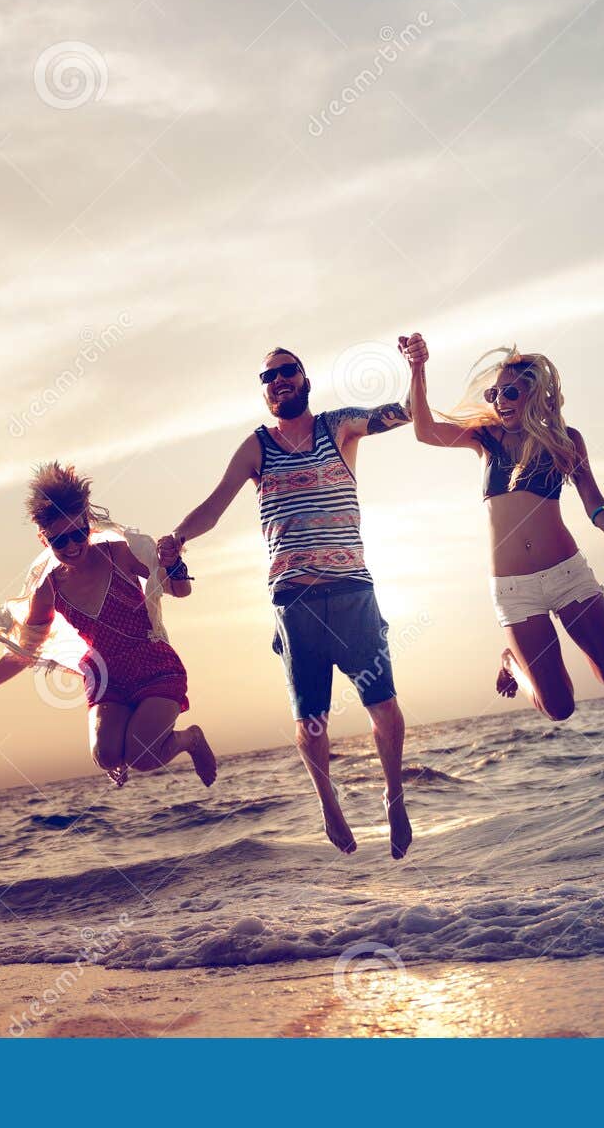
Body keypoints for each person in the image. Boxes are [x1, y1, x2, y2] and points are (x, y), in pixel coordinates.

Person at [159, 347, 414, 858]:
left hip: (351, 591)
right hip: (294, 601)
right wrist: (177, 537)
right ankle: (328, 802)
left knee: (383, 707)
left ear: (304, 379)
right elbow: (215, 504)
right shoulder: (257, 447)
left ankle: (394, 792)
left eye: (286, 372)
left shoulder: (338, 426)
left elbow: (404, 412)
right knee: (310, 721)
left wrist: (418, 368)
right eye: (268, 376)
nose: (278, 381)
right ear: (265, 389)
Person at [403, 334, 604, 721]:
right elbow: (424, 431)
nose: (500, 401)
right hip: (514, 590)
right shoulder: (487, 438)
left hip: (568, 575)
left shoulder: (566, 441)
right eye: (494, 394)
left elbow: (594, 503)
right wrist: (417, 370)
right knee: (559, 709)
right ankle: (512, 663)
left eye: (510, 393)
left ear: (534, 394)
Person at [0, 462, 217, 790]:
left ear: (88, 525)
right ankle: (119, 750)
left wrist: (173, 563)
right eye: (59, 540)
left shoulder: (119, 553)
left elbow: (180, 590)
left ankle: (190, 740)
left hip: (153, 666)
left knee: (142, 756)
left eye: (77, 533)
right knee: (107, 755)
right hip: (106, 678)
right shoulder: (49, 588)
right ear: (44, 539)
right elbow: (24, 653)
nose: (71, 546)